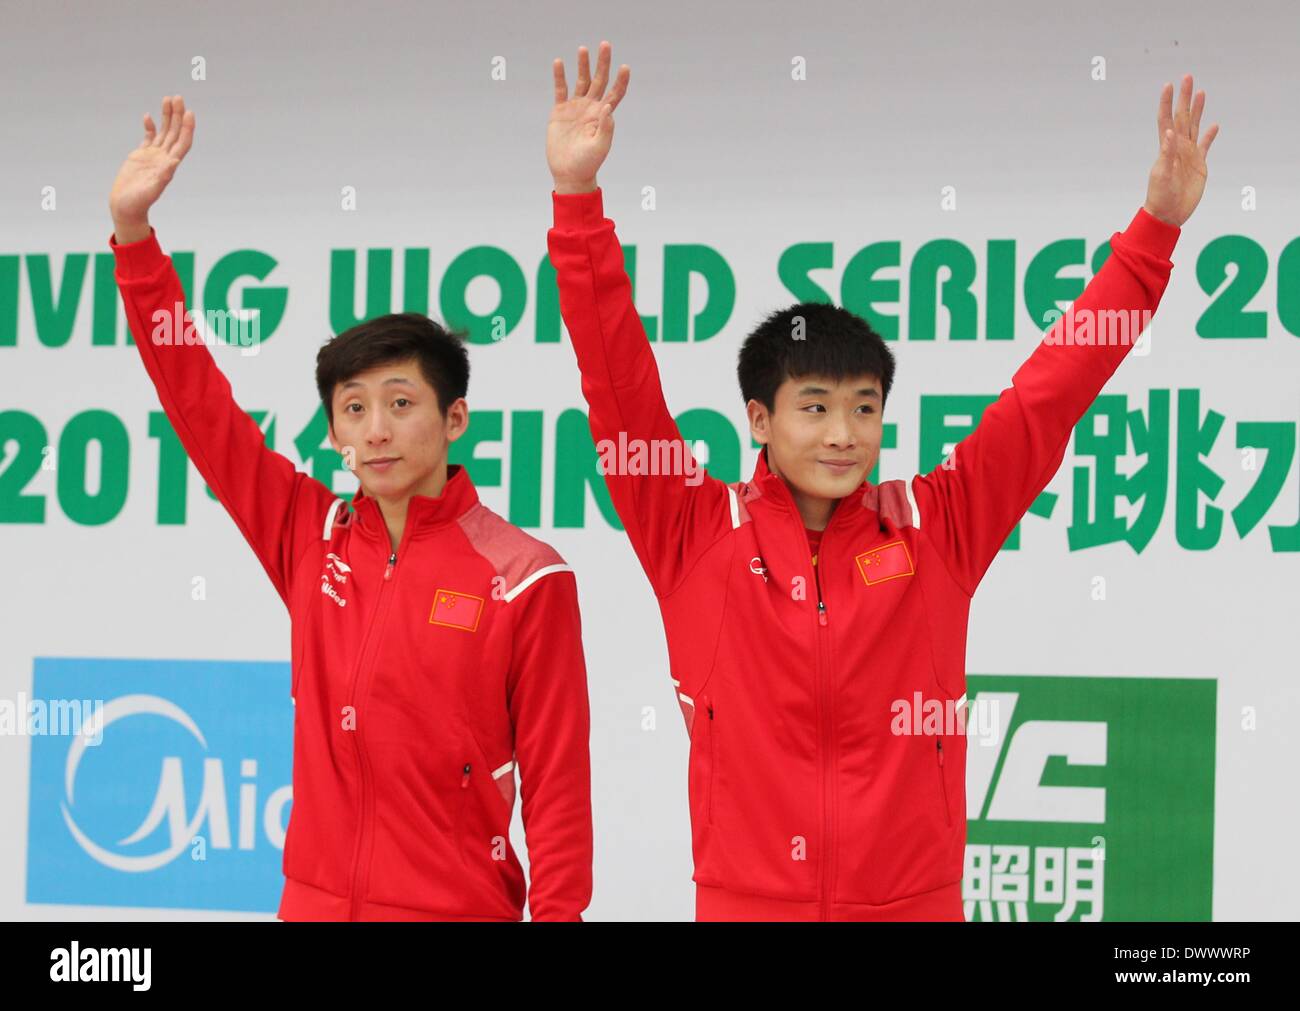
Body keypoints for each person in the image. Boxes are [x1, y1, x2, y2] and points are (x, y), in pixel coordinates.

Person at [545, 43, 1217, 921]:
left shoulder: (937, 524)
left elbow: (1053, 392)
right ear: (759, 419)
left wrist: (1153, 236)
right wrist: (577, 205)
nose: (843, 433)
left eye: (864, 408)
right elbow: (617, 383)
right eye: (814, 407)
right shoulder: (693, 531)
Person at [108, 96, 593, 921]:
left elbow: (557, 780)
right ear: (333, 428)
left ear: (455, 419)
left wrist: (560, 913)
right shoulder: (310, 535)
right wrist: (133, 238)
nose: (377, 430)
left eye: (402, 403)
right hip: (315, 903)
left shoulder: (525, 576)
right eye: (354, 407)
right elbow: (199, 407)